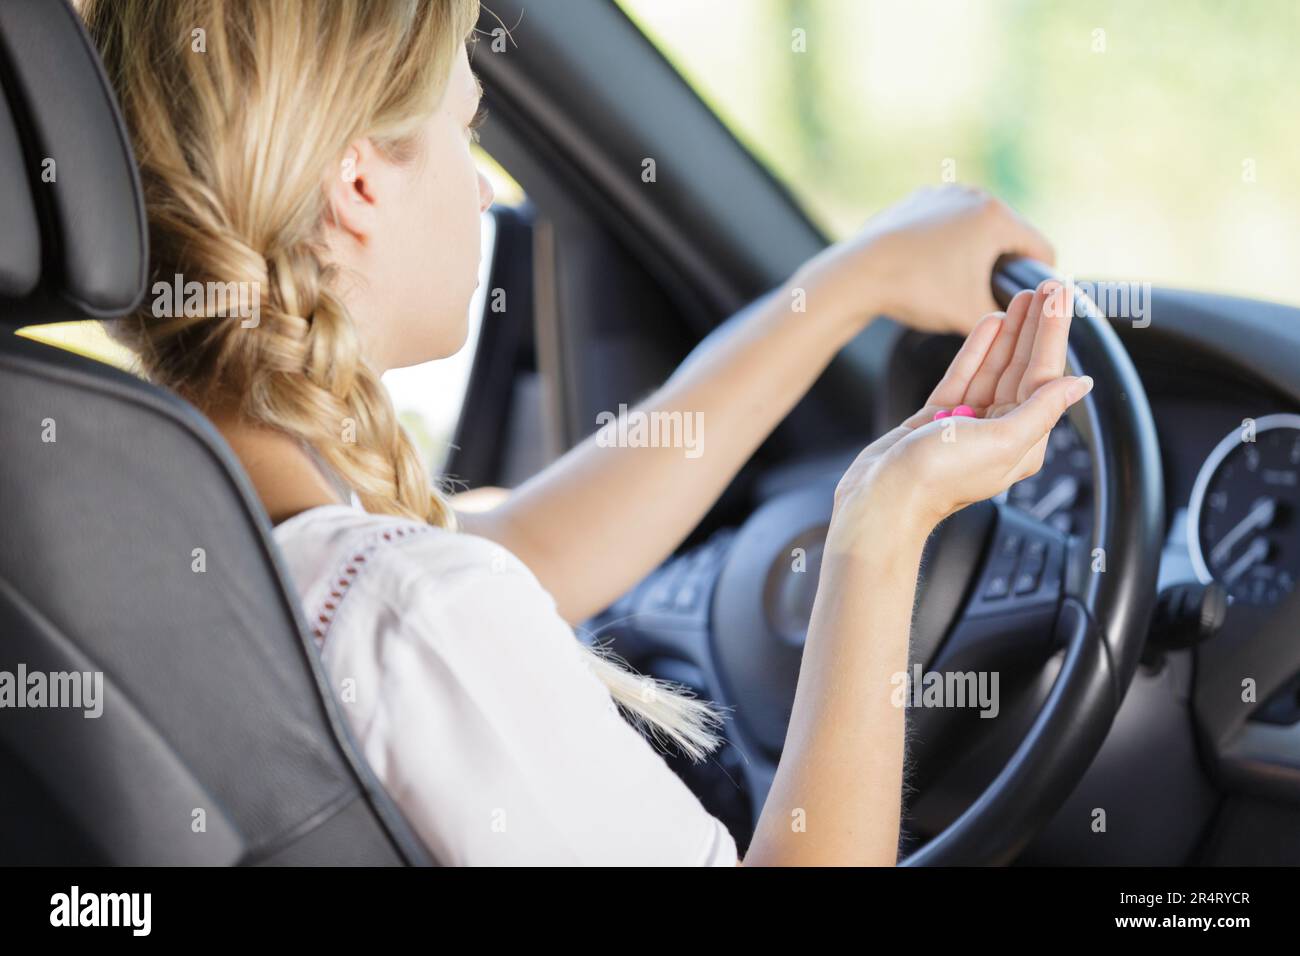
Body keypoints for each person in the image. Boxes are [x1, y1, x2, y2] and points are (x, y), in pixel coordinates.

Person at [81, 0, 1092, 865]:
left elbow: (527, 547)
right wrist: (882, 521)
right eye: (464, 132)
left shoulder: (142, 515)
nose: (484, 186)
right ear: (358, 182)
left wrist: (847, 284)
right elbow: (442, 600)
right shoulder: (406, 612)